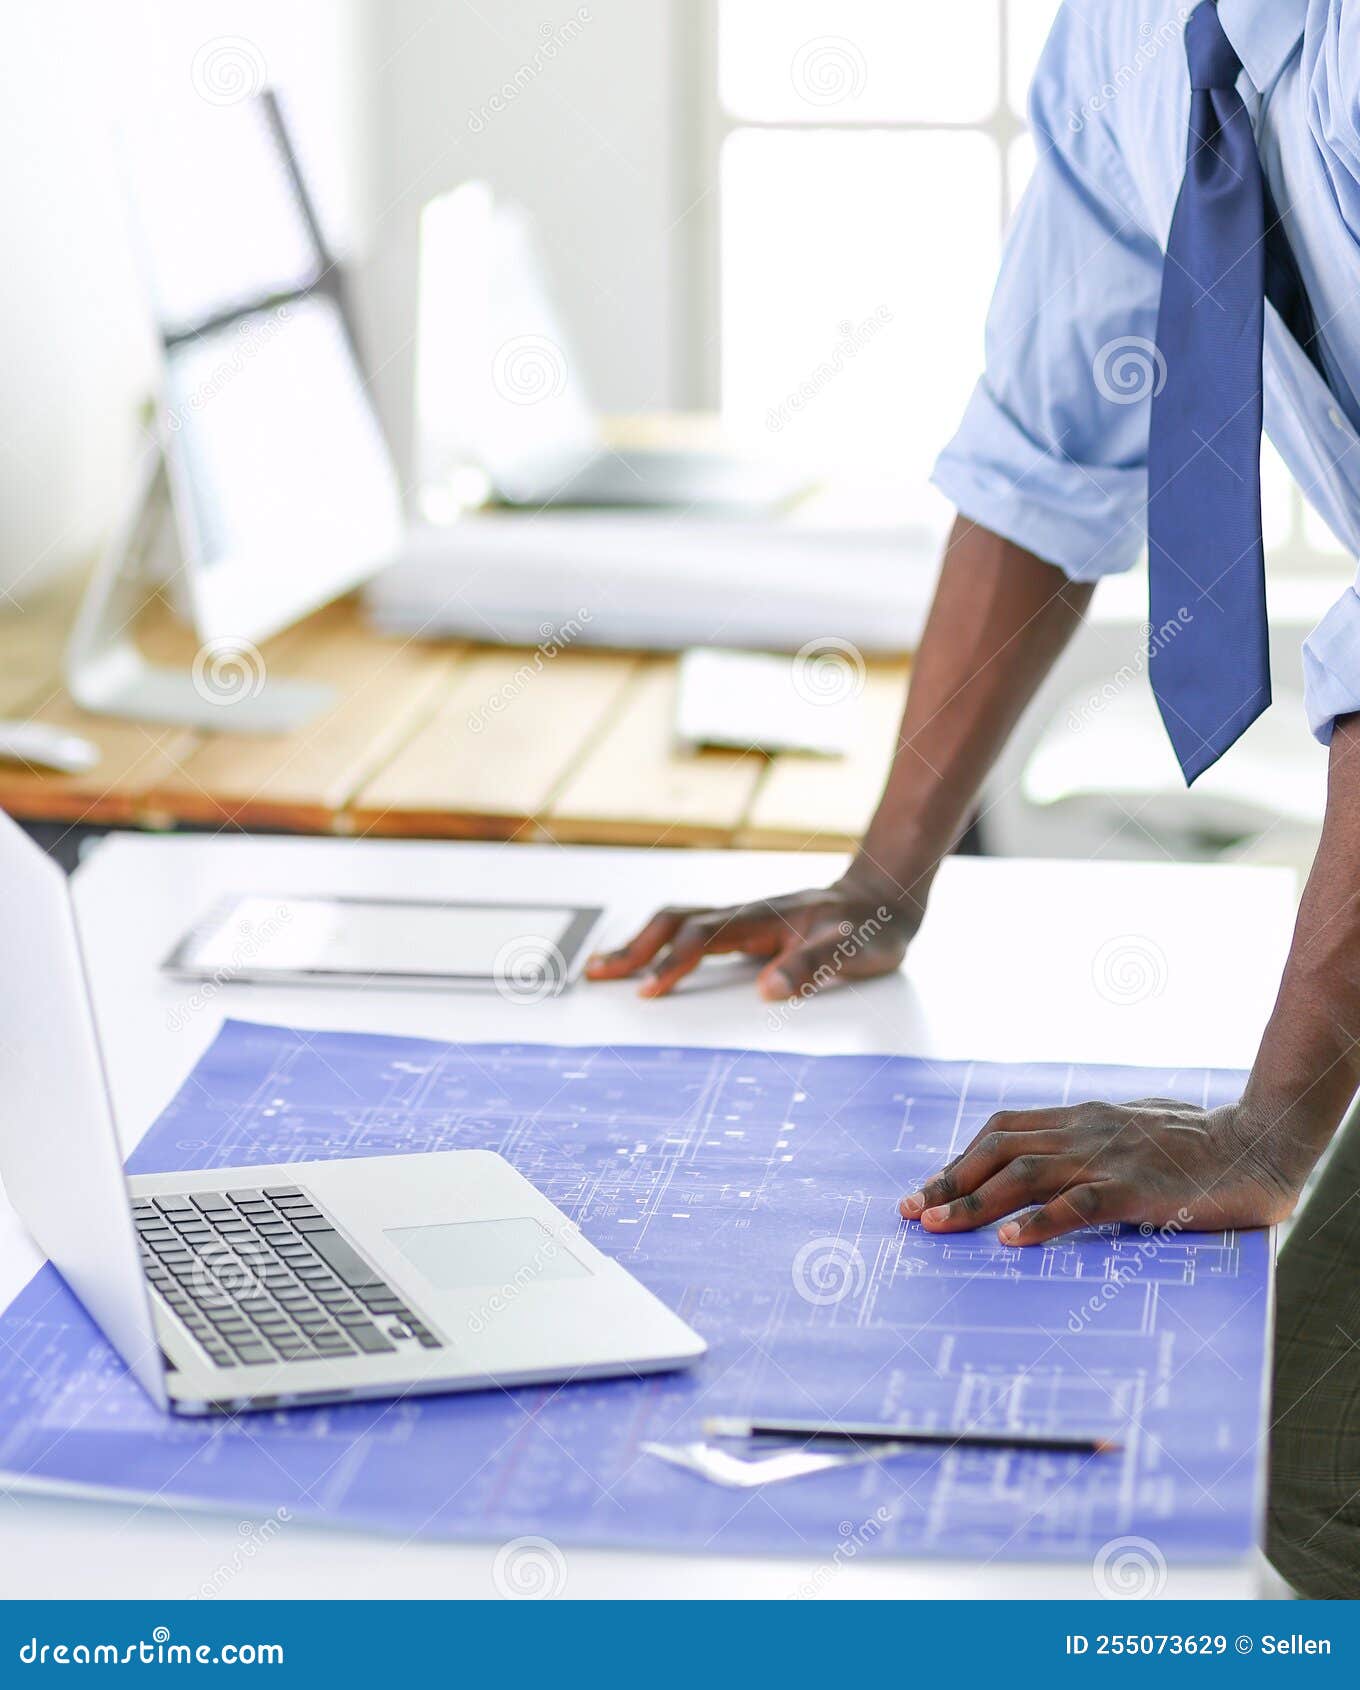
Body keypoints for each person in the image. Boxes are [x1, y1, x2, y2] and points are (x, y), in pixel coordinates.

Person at [587, 1, 1360, 1596]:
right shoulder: (1138, 39)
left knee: (1314, 1484)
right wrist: (887, 869)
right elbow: (1047, 445)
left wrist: (1276, 1119)